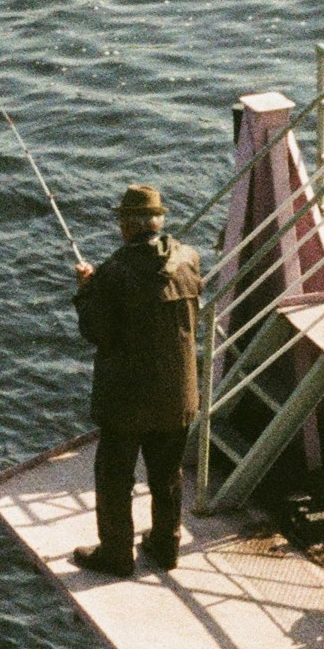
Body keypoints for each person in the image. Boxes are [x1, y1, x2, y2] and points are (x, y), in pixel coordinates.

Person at [71, 183, 204, 576]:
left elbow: (98, 332)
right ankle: (166, 546)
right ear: (159, 222)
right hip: (178, 394)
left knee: (115, 477)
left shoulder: (114, 272)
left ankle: (116, 554)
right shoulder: (189, 259)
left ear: (127, 227)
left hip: (127, 399)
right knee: (167, 475)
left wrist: (85, 292)